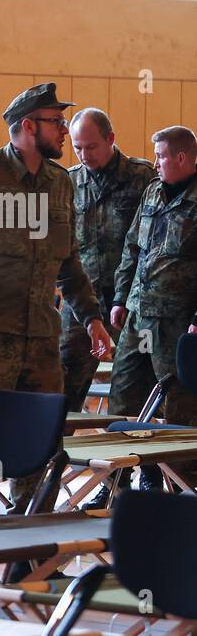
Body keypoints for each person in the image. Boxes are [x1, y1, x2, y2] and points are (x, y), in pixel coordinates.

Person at [0, 83, 114, 589]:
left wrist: (92, 317)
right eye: (56, 123)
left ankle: (27, 551)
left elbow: (68, 262)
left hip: (41, 341)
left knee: (40, 446)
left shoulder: (60, 183)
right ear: (30, 126)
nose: (63, 133)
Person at [108, 125, 197, 490]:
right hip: (137, 316)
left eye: (161, 156)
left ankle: (181, 489)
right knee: (123, 398)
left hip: (176, 323)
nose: (156, 163)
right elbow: (133, 249)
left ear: (180, 157)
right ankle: (118, 482)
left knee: (178, 408)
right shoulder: (152, 193)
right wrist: (118, 298)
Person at [62, 109, 154, 418]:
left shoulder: (142, 177)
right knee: (62, 387)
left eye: (91, 146)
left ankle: (138, 464)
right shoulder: (69, 181)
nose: (84, 154)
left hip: (130, 302)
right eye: (77, 148)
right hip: (81, 302)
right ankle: (53, 459)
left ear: (110, 139)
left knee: (133, 389)